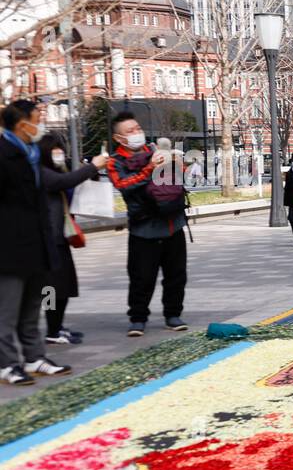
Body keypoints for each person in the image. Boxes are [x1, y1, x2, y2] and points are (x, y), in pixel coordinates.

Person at [0, 101, 72, 383]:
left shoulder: (31, 154)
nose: (41, 123)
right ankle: (7, 364)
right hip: (9, 247)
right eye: (37, 118)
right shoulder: (4, 155)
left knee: (32, 306)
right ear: (21, 125)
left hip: (36, 244)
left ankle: (34, 357)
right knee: (6, 310)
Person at [106, 110, 189, 336]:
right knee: (141, 277)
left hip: (173, 223)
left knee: (176, 275)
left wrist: (176, 162)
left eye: (138, 129)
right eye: (130, 131)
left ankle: (173, 314)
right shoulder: (115, 161)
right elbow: (123, 185)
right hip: (143, 228)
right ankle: (138, 318)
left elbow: (181, 177)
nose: (136, 133)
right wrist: (149, 169)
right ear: (118, 138)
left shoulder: (156, 150)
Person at [38, 133, 108, 345]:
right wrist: (92, 167)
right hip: (46, 241)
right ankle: (51, 330)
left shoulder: (57, 171)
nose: (59, 153)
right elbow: (64, 182)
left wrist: (92, 174)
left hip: (60, 239)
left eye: (60, 148)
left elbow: (72, 186)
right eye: (54, 149)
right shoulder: (42, 173)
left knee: (65, 287)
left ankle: (57, 327)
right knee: (50, 289)